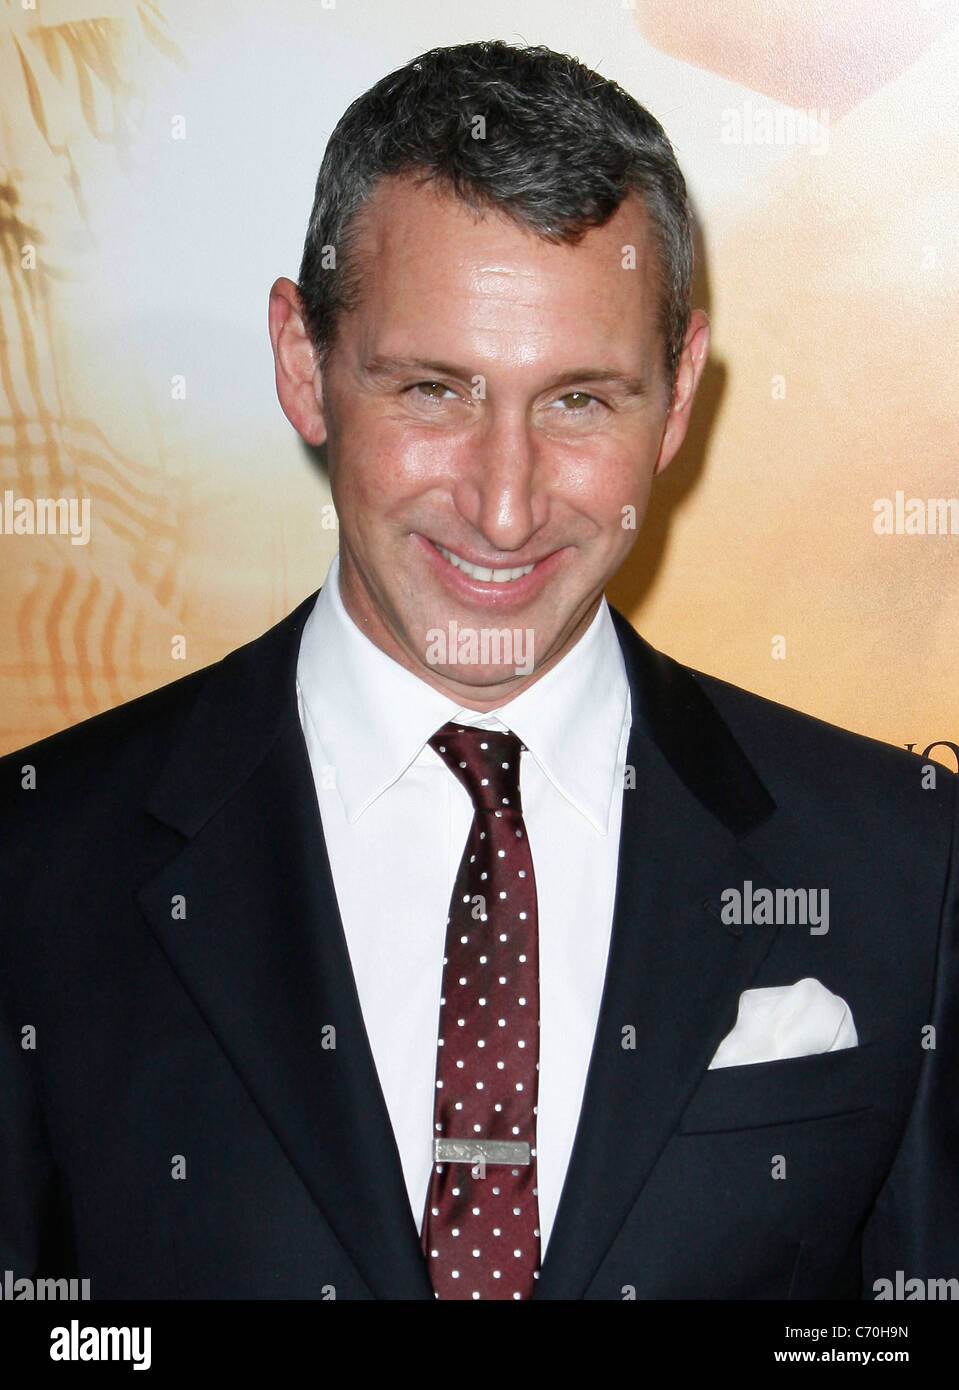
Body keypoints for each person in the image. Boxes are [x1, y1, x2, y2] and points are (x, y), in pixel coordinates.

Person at [1, 39, 956, 1302]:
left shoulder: (901, 862)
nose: (503, 508)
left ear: (674, 399)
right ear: (303, 364)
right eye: (434, 389)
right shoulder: (36, 860)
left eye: (577, 402)